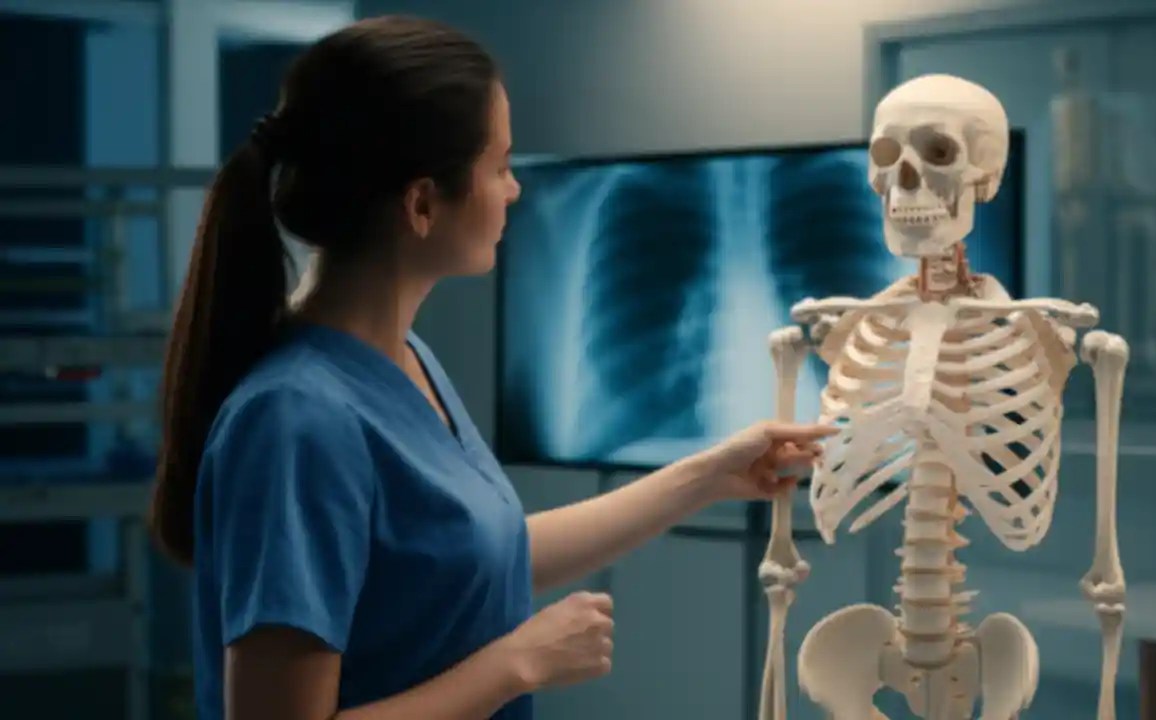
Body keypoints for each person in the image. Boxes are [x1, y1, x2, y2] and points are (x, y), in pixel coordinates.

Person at [149, 15, 835, 720]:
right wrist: (517, 664)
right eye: (500, 166)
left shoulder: (406, 361)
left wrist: (708, 474)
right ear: (421, 204)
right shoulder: (296, 419)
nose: (514, 190)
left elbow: (470, 564)